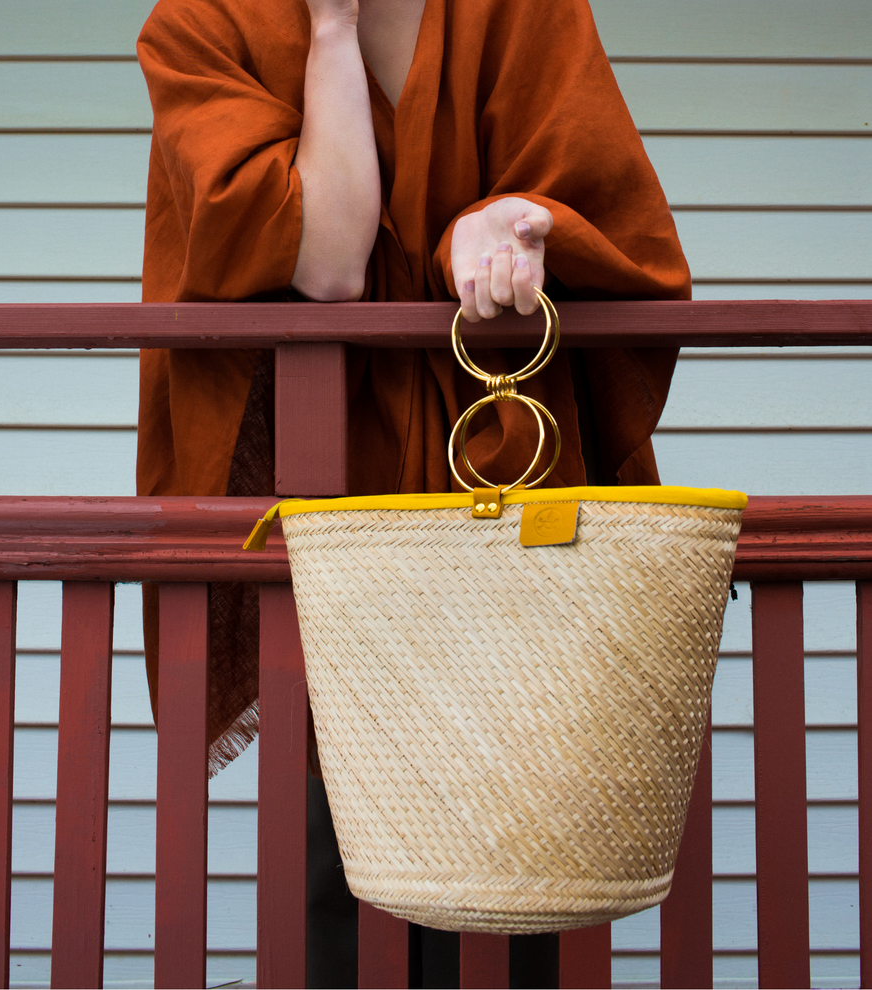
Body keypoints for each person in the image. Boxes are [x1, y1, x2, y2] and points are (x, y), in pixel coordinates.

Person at [137, 0, 690, 983]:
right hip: (335, 514)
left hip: (508, 494)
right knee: (345, 835)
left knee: (521, 850)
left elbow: (612, 216)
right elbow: (330, 262)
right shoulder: (201, 23)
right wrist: (332, 32)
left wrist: (521, 222)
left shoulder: (525, 13)